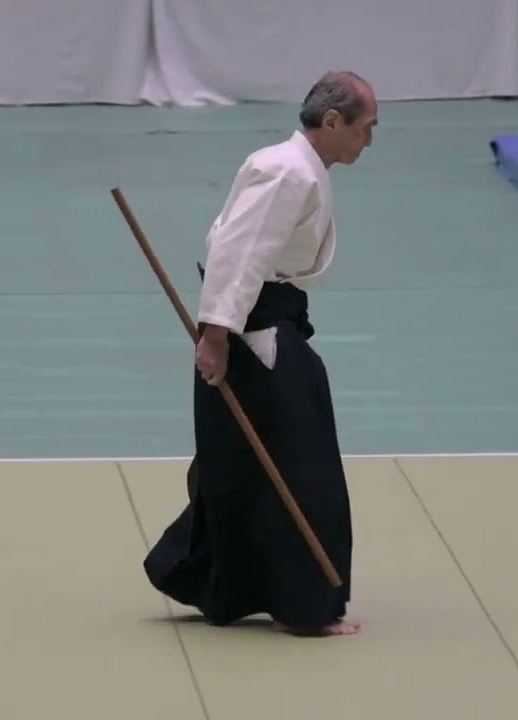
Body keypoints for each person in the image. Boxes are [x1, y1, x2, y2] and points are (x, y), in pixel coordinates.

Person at [142, 71, 377, 637]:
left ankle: (223, 581)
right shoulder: (284, 171)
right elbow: (237, 251)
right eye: (366, 128)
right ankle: (304, 604)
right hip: (254, 334)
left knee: (253, 463)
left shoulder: (298, 169)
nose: (369, 140)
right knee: (301, 466)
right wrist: (216, 335)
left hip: (263, 325)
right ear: (332, 122)